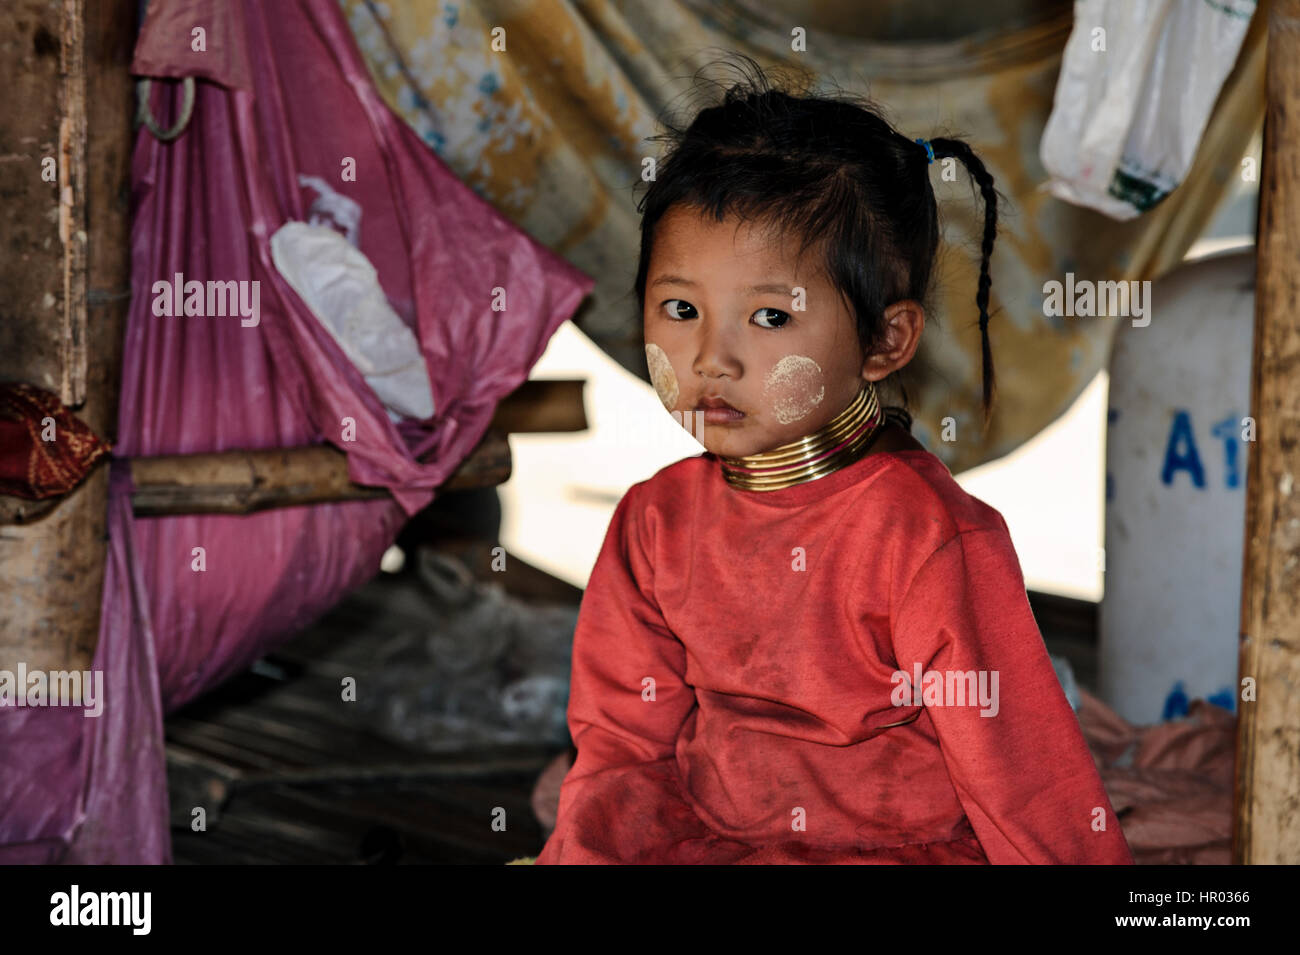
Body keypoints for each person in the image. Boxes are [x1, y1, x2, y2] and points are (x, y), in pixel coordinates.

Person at [535, 56, 1134, 865]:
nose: (712, 357)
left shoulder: (929, 540)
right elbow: (621, 748)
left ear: (887, 340)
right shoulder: (653, 523)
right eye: (681, 309)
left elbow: (1023, 780)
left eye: (771, 317)